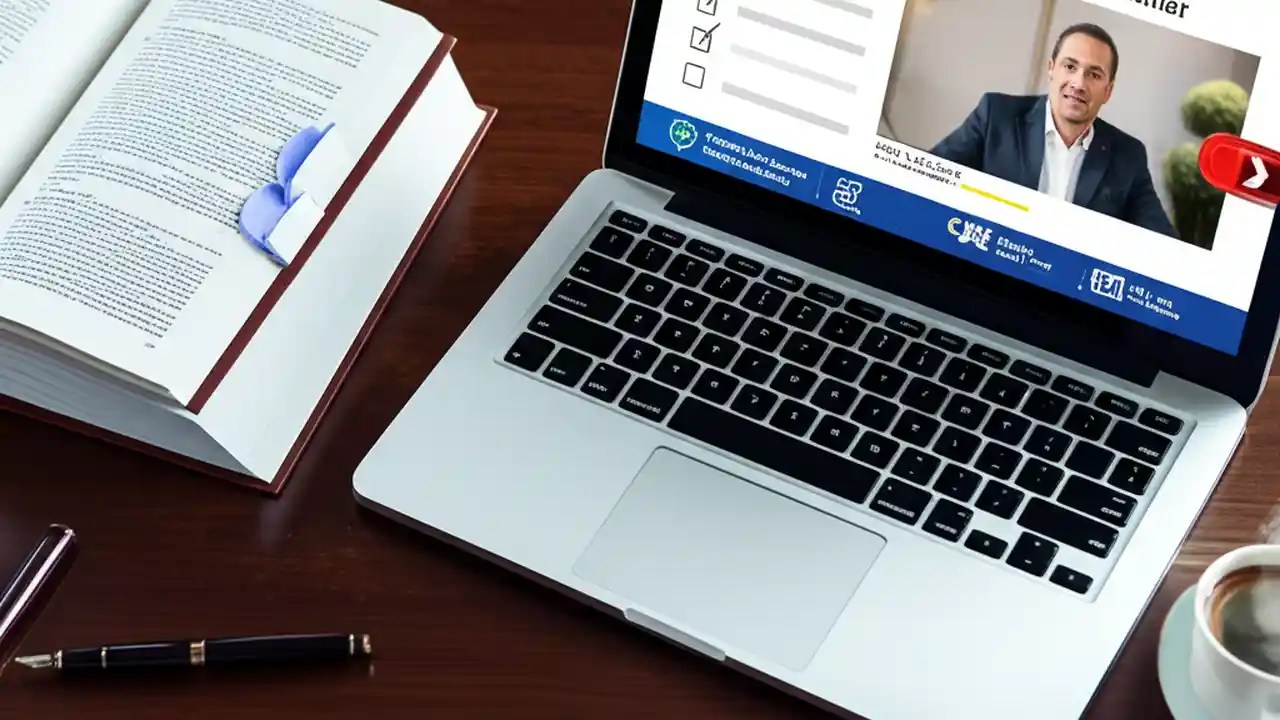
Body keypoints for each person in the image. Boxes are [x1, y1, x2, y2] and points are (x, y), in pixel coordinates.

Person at [930, 23, 1178, 239]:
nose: (1078, 84)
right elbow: (930, 175)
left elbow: (1161, 239)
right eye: (1070, 67)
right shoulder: (996, 115)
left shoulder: (1128, 155)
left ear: (1108, 91)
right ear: (1051, 69)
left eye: (1093, 74)